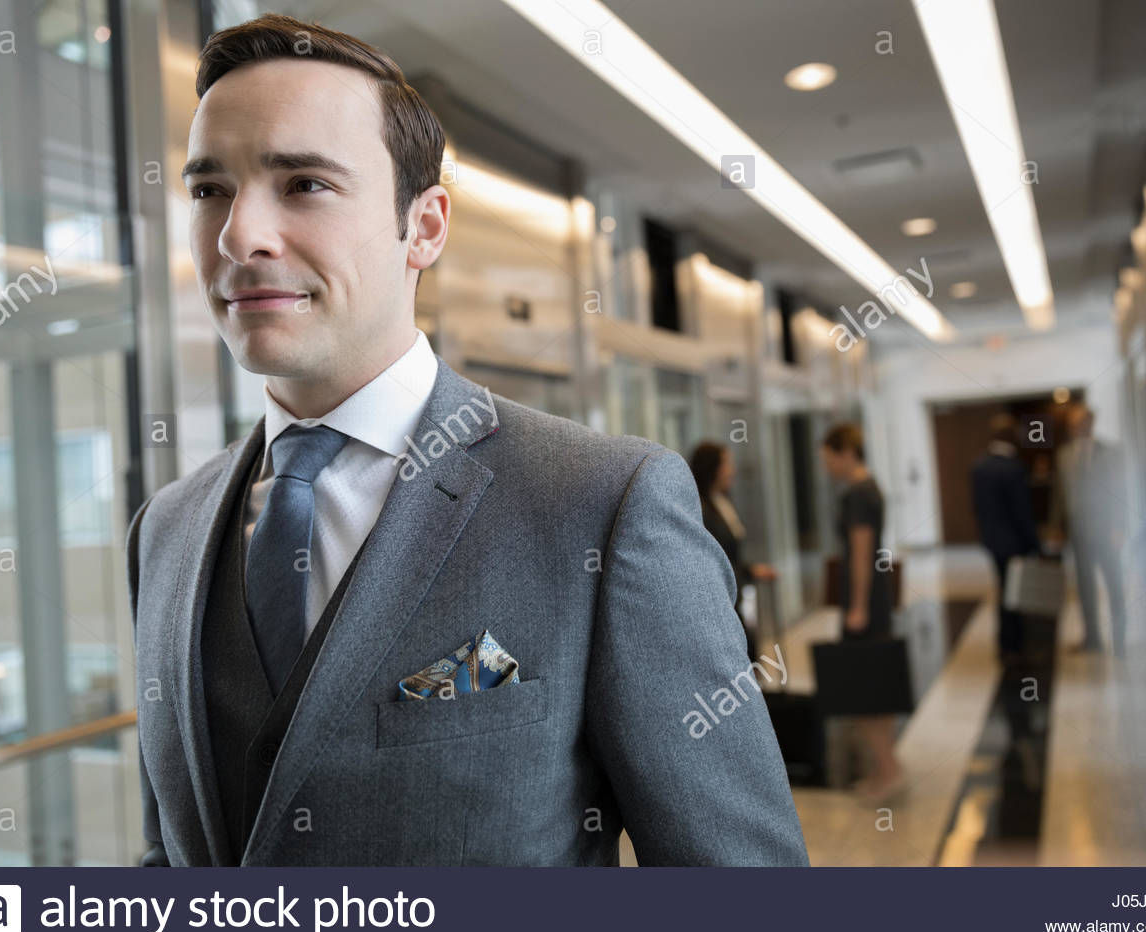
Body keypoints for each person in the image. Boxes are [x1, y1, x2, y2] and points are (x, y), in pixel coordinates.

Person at [125, 14, 807, 867]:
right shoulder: (166, 532)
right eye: (209, 189)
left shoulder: (600, 506)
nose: (239, 236)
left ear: (427, 227)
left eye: (303, 184)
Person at [819, 423, 903, 802]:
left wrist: (856, 606)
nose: (826, 466)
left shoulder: (857, 494)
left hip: (865, 600)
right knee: (874, 686)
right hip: (875, 598)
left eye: (828, 458)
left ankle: (888, 770)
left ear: (845, 453)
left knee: (863, 689)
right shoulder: (869, 488)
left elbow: (860, 552)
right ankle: (884, 768)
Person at [1048, 402, 1127, 655]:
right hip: (1079, 531)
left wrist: (1120, 527)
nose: (1075, 428)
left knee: (1114, 584)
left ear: (1091, 423)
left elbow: (1120, 492)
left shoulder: (1111, 453)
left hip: (1106, 530)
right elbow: (1059, 495)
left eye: (1080, 423)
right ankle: (1092, 639)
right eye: (1071, 424)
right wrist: (1056, 526)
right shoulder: (1064, 455)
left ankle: (1120, 639)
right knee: (1085, 587)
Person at [688, 442, 777, 662]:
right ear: (712, 468)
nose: (732, 469)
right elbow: (711, 558)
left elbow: (729, 551)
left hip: (737, 592)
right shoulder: (699, 508)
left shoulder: (724, 500)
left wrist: (749, 569)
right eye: (726, 463)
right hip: (721, 600)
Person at [971, 414, 1041, 663]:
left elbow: (979, 509)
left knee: (1004, 593)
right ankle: (1015, 648)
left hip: (993, 543)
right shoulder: (1013, 468)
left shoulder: (980, 466)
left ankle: (1006, 645)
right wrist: (1035, 543)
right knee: (1015, 597)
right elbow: (1022, 513)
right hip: (1014, 544)